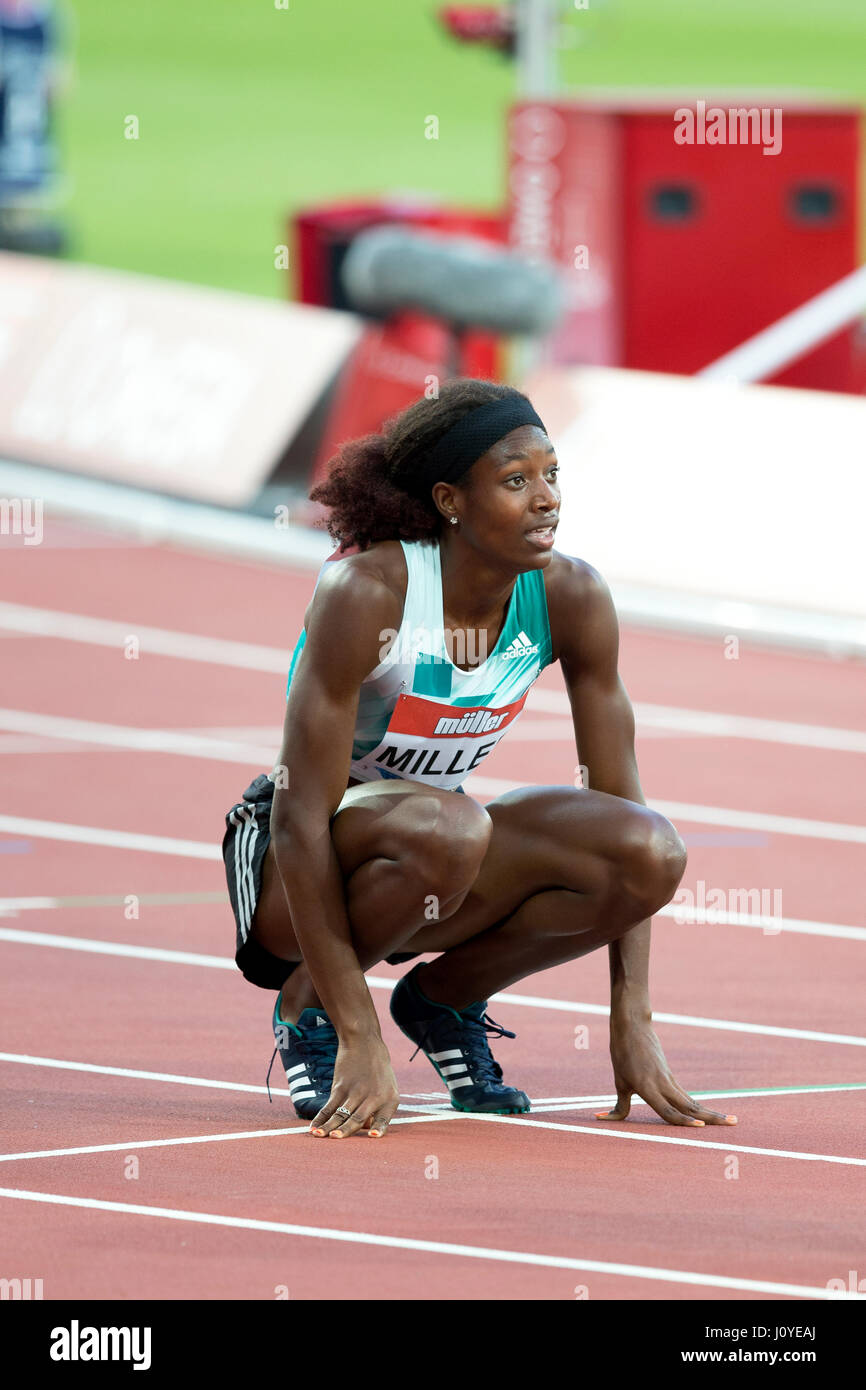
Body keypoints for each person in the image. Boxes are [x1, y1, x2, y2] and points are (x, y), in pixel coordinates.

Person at [222, 377, 738, 1140]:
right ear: (450, 500)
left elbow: (623, 802)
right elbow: (301, 819)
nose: (547, 499)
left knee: (648, 851)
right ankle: (311, 1008)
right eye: (516, 480)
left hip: (434, 857)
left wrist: (631, 1018)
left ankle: (443, 1003)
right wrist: (359, 1032)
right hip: (294, 870)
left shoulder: (571, 597)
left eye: (553, 475)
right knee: (452, 827)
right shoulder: (369, 594)